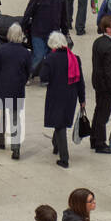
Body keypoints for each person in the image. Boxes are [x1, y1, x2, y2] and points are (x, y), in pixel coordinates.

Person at [40, 31, 84, 169]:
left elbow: (44, 77)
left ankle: (64, 158)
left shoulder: (50, 59)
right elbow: (80, 81)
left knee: (59, 125)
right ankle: (56, 145)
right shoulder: (75, 58)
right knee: (61, 121)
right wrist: (82, 99)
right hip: (71, 96)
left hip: (56, 95)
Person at [0, 24, 30, 158]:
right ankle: (16, 147)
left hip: (1, 88)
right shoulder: (25, 52)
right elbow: (28, 72)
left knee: (1, 116)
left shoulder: (1, 50)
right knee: (15, 118)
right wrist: (22, 81)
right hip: (17, 89)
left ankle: (1, 141)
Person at [89, 14, 111, 153]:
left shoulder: (98, 42)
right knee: (103, 114)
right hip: (107, 86)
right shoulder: (110, 47)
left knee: (98, 111)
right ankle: (100, 143)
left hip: (97, 82)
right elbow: (110, 70)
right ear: (108, 29)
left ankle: (94, 138)